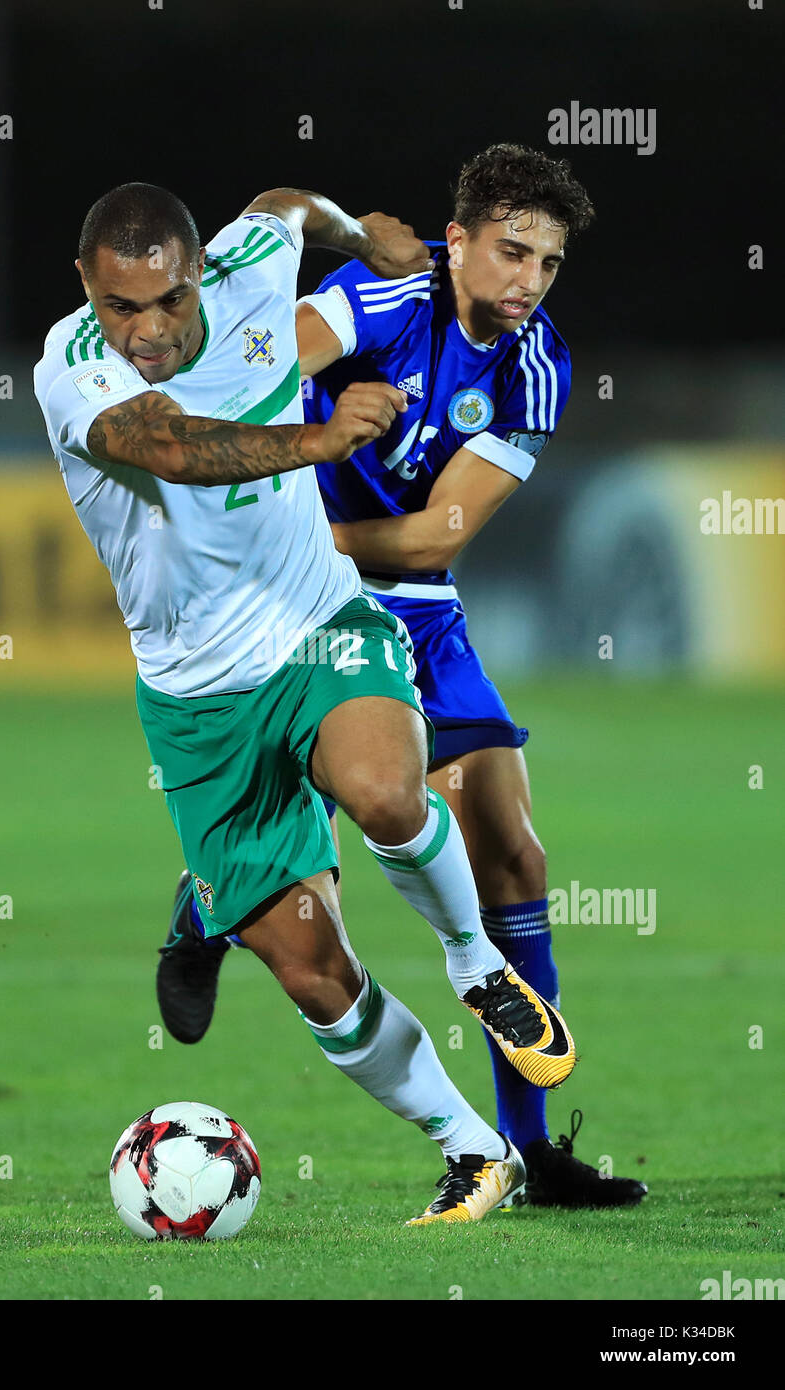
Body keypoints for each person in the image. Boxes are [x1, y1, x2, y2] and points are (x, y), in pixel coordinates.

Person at [34, 180, 576, 1225]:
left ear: (204, 269)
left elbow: (283, 202)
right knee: (312, 969)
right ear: (86, 290)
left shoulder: (251, 261)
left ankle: (477, 966)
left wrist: (357, 231)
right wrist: (321, 444)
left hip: (318, 621)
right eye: (121, 307)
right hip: (197, 698)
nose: (147, 331)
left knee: (382, 788)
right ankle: (473, 1148)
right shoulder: (71, 368)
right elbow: (174, 449)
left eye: (171, 302)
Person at [156, 147, 646, 1210]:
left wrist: (304, 535)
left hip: (407, 602)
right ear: (456, 240)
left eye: (549, 263)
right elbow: (264, 359)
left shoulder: (536, 367)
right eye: (511, 250)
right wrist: (285, 477)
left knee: (512, 846)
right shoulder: (387, 285)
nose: (527, 280)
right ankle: (213, 903)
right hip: (295, 610)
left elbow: (434, 539)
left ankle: (530, 1149)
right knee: (352, 821)